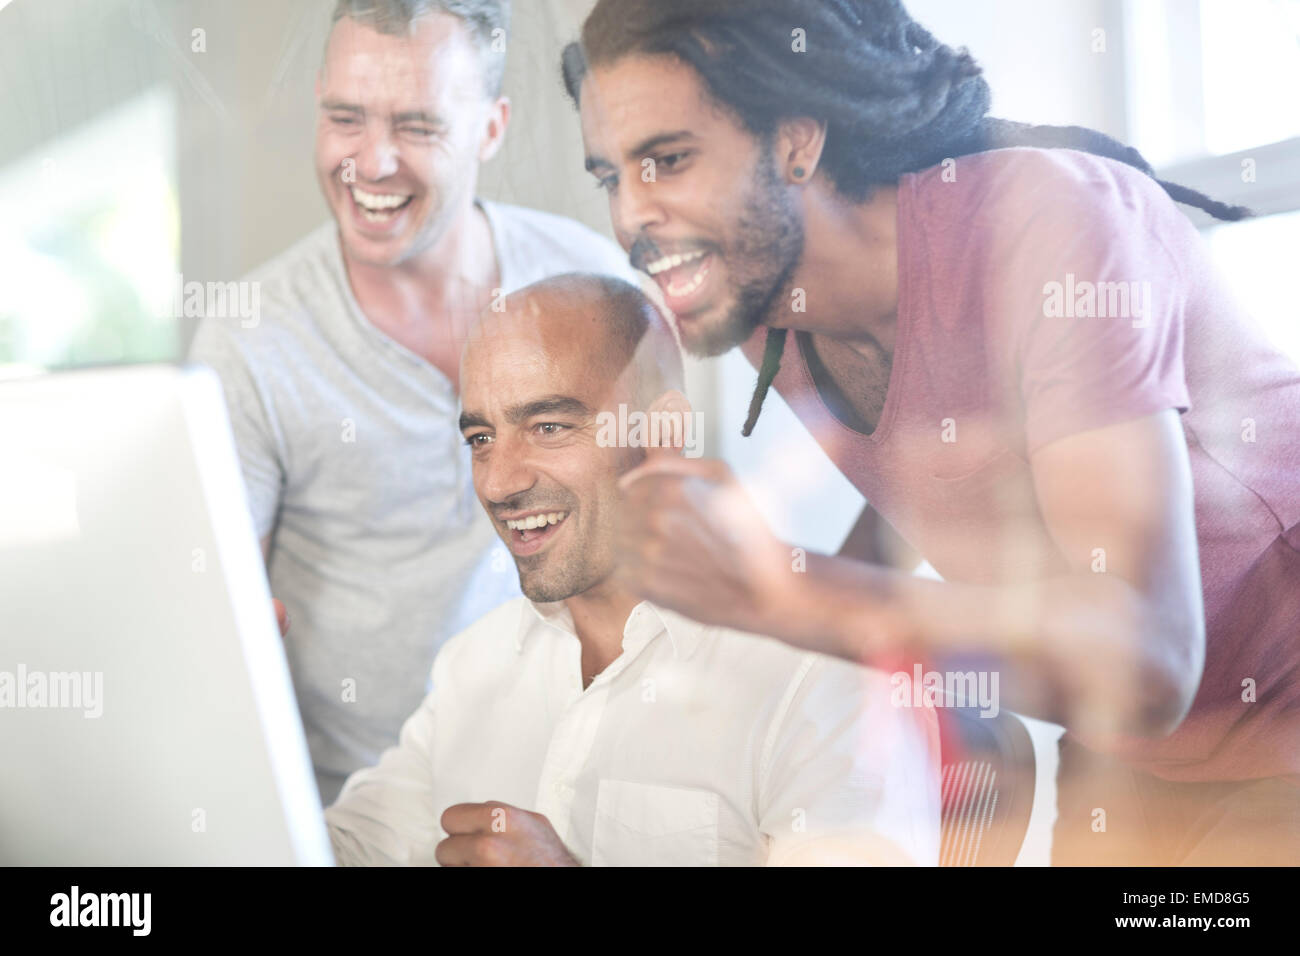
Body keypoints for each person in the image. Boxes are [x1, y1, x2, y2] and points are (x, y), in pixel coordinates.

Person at [561, 0, 1300, 864]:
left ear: (798, 142)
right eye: (613, 176)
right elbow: (929, 484)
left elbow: (1149, 661)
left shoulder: (1050, 228)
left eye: (668, 159)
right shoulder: (769, 310)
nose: (630, 219)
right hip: (1130, 751)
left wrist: (786, 593)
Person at [324, 274, 941, 866]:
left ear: (663, 432)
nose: (500, 481)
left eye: (548, 427)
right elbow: (340, 850)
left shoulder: (820, 682)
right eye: (481, 437)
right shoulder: (471, 667)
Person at [189, 0, 635, 804]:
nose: (372, 161)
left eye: (419, 126)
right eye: (346, 117)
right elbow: (211, 624)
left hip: (578, 793)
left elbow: (659, 539)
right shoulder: (250, 340)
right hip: (358, 811)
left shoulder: (595, 286)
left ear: (491, 129)